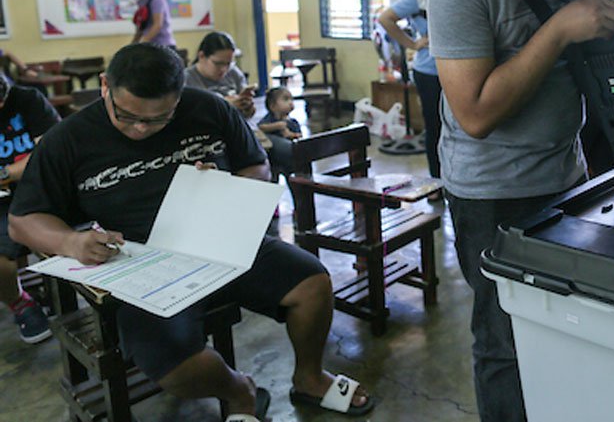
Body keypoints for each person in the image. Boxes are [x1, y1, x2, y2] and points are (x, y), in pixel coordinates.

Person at [8, 44, 375, 420]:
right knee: (173, 366)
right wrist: (69, 241)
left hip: (215, 238)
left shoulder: (209, 108)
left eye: (158, 119)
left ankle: (310, 379)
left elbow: (256, 166)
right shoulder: (68, 139)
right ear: (105, 86)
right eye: (127, 116)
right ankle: (240, 391)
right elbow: (22, 221)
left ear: (178, 95)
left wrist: (226, 186)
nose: (140, 129)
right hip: (139, 264)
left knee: (313, 284)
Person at [427, 0, 614, 422]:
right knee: (505, 343)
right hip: (491, 193)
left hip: (570, 173)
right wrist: (562, 28)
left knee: (572, 324)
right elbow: (474, 114)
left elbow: (601, 65)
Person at [377, 0, 448, 180]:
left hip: (457, 69)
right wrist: (413, 43)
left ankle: (456, 181)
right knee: (434, 127)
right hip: (429, 71)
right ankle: (437, 182)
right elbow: (386, 18)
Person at [0, 78, 60, 344]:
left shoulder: (27, 100)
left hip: (38, 190)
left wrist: (5, 172)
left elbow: (49, 149)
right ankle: (20, 302)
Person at [185, 31, 256, 119]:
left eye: (228, 64)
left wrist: (246, 107)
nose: (224, 69)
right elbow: (188, 116)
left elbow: (245, 117)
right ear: (201, 56)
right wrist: (223, 105)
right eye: (218, 63)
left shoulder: (234, 73)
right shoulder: (186, 80)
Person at [258, 86, 302, 177]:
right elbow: (261, 127)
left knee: (292, 174)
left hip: (289, 158)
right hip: (273, 157)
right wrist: (276, 126)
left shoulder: (293, 122)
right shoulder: (270, 119)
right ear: (273, 106)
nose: (290, 102)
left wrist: (292, 135)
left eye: (291, 99)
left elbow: (298, 136)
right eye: (286, 99)